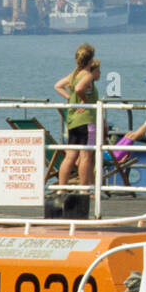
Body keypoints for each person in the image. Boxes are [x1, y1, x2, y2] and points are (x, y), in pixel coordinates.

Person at [54, 44, 99, 189]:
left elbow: (58, 85)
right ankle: (84, 189)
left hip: (72, 120)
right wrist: (84, 101)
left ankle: (62, 188)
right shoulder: (88, 76)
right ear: (91, 60)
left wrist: (70, 98)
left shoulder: (73, 75)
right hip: (86, 120)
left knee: (70, 156)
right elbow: (80, 89)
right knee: (86, 156)